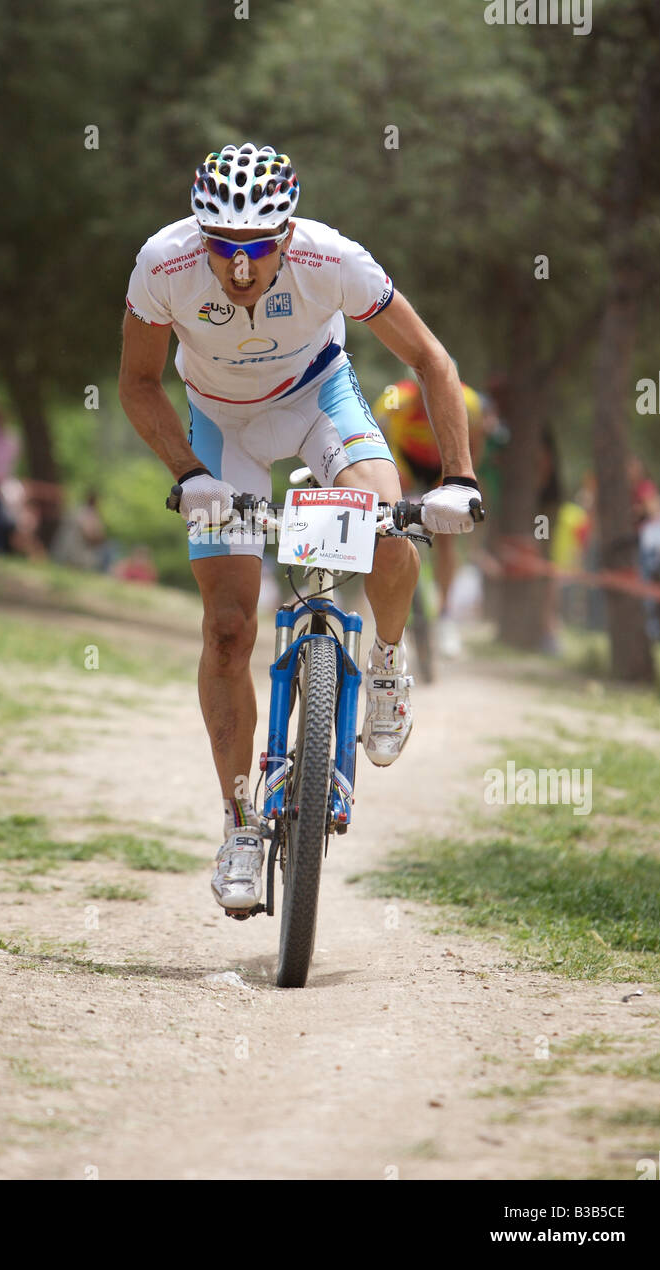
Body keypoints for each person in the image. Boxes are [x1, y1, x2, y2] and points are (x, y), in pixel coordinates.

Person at [119, 142, 482, 917]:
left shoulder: (334, 259)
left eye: (258, 248)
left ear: (287, 234)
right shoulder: (162, 265)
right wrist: (189, 477)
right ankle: (240, 825)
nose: (241, 268)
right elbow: (138, 383)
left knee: (389, 529)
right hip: (218, 427)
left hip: (319, 402)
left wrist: (459, 480)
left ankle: (385, 661)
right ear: (199, 235)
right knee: (226, 629)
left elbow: (434, 362)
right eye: (224, 248)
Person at [373, 372, 486, 656]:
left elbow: (475, 444)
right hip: (404, 463)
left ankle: (446, 615)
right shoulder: (395, 397)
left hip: (443, 468)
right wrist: (393, 475)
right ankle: (394, 621)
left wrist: (460, 481)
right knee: (392, 527)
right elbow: (374, 434)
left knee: (446, 534)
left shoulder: (469, 401)